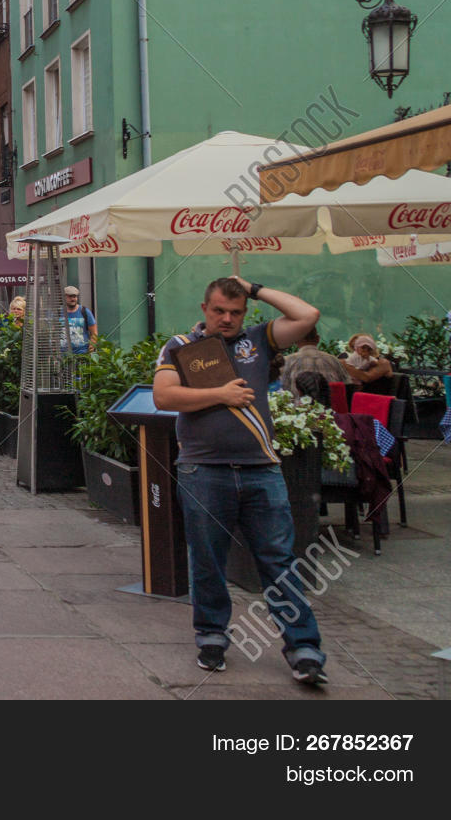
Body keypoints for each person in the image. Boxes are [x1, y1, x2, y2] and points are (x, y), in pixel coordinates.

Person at [151, 275, 327, 686]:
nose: (227, 318)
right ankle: (211, 637)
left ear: (244, 312)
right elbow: (164, 397)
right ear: (204, 309)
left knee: (279, 562)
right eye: (219, 311)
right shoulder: (181, 347)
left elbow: (307, 315)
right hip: (203, 470)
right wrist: (221, 395)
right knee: (208, 561)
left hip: (260, 470)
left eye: (235, 312)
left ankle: (303, 649)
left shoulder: (259, 340)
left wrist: (255, 287)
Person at [279, 328, 350, 403]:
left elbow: (283, 390)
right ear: (318, 339)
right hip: (330, 411)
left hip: (298, 411)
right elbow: (346, 386)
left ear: (296, 340)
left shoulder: (287, 361)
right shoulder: (333, 360)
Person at [62, 286, 98, 354]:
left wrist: (91, 348)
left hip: (82, 353)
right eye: (70, 296)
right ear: (64, 297)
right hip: (62, 355)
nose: (73, 299)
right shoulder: (58, 312)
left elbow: (94, 333)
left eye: (74, 296)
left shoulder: (84, 311)